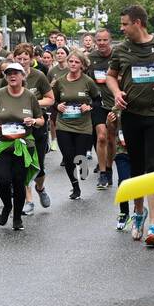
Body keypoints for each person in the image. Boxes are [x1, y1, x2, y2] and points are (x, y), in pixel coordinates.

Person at [106, 5, 154, 247]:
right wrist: (116, 92)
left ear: (138, 23)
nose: (121, 27)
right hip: (132, 115)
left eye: (125, 23)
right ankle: (138, 212)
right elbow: (111, 76)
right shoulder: (121, 49)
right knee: (136, 168)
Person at [0, 61, 43, 231]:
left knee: (18, 181)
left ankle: (17, 218)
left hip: (23, 145)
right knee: (2, 180)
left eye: (16, 73)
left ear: (23, 76)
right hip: (2, 144)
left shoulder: (30, 96)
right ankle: (7, 206)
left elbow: (41, 119)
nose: (12, 76)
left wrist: (34, 121)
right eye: (9, 73)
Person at [7, 44, 54, 214]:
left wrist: (31, 104)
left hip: (37, 124)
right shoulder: (10, 77)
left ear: (31, 59)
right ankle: (29, 201)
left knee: (38, 166)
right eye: (18, 59)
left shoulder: (39, 76)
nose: (22, 62)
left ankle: (40, 188)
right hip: (18, 127)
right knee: (23, 164)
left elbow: (50, 99)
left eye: (25, 59)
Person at [51, 50, 100, 199]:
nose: (73, 64)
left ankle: (83, 164)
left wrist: (89, 106)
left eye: (76, 62)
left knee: (79, 155)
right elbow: (52, 100)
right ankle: (75, 187)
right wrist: (57, 106)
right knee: (68, 157)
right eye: (71, 61)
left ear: (82, 65)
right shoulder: (60, 81)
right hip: (64, 124)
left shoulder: (87, 81)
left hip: (83, 125)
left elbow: (97, 100)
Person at [90, 28, 118, 189]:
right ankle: (102, 173)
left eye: (104, 40)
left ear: (110, 41)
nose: (101, 43)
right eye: (98, 40)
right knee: (101, 137)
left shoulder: (117, 57)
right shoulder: (91, 58)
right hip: (98, 103)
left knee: (111, 138)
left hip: (114, 103)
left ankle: (108, 168)